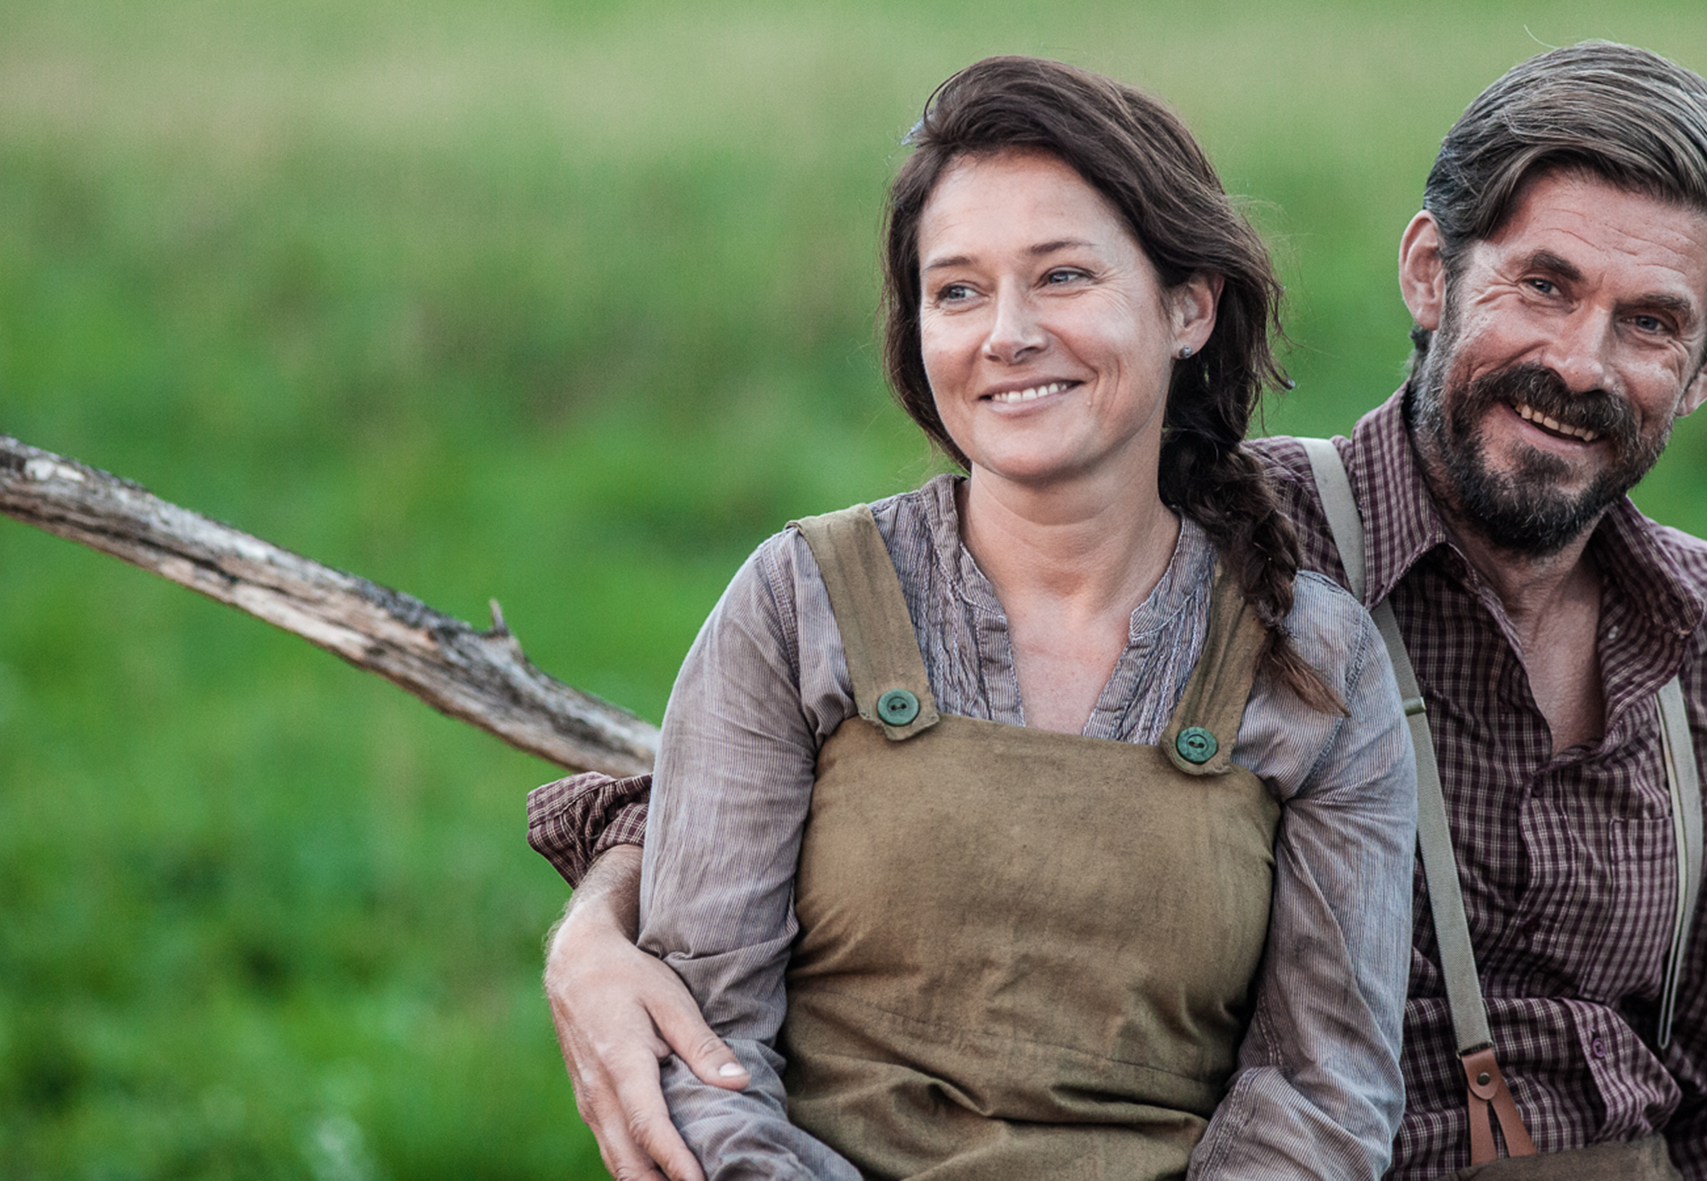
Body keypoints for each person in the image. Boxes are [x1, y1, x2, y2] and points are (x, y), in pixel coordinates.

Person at [532, 42, 1707, 1180]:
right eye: (1541, 285)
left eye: (1651, 323)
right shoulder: (1237, 542)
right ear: (1430, 274)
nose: (1576, 363)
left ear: (1705, 366)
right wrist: (601, 924)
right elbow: (896, 702)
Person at [545, 55, 1420, 1180]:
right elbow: (703, 1049)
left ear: (1188, 306)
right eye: (957, 290)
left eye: (1061, 276)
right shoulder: (797, 602)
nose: (1004, 333)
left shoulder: (1315, 662)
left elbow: (1324, 1093)